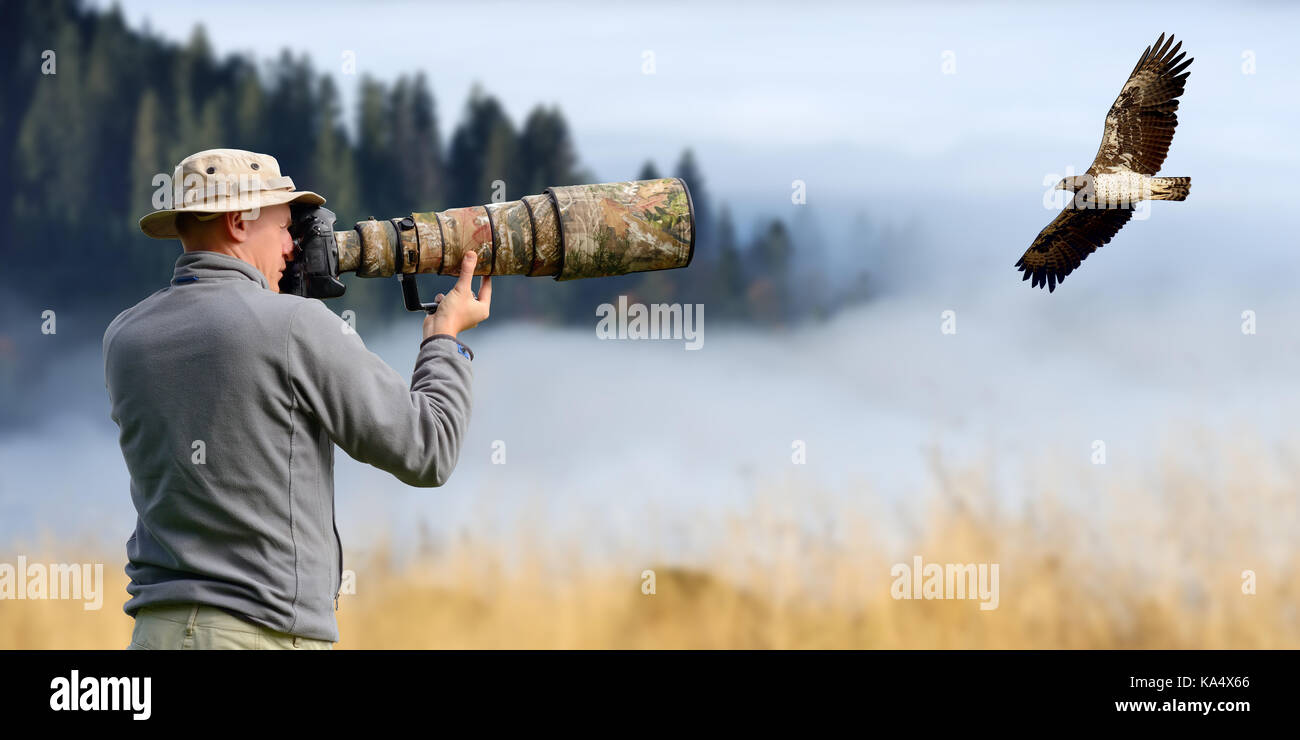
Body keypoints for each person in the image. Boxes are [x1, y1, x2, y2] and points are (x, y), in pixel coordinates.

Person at [103, 149, 490, 649]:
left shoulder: (124, 338)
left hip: (156, 633)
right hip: (261, 635)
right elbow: (428, 449)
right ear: (240, 220)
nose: (293, 247)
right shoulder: (294, 327)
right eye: (285, 227)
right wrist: (445, 339)